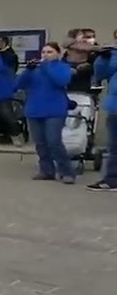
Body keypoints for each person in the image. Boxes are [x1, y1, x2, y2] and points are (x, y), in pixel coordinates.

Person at [15, 42, 75, 184]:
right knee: (40, 143)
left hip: (55, 110)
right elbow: (18, 85)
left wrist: (46, 67)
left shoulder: (62, 67)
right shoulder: (35, 69)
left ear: (57, 54)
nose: (45, 55)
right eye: (43, 52)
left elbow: (61, 81)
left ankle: (67, 172)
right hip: (34, 109)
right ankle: (46, 171)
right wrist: (28, 71)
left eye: (49, 52)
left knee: (54, 141)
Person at [89, 44, 116, 191]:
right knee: (114, 147)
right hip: (115, 107)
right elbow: (100, 74)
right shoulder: (114, 54)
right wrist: (103, 59)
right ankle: (112, 180)